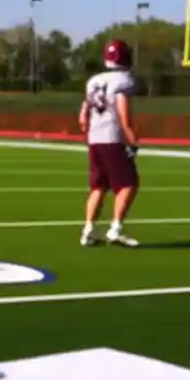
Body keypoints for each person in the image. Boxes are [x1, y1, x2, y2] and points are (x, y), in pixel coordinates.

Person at [78, 39, 141, 248]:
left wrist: (89, 129)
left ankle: (88, 231)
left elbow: (83, 116)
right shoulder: (123, 80)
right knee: (129, 184)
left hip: (95, 139)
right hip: (112, 137)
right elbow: (123, 113)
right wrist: (131, 138)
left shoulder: (94, 80)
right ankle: (115, 229)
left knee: (98, 186)